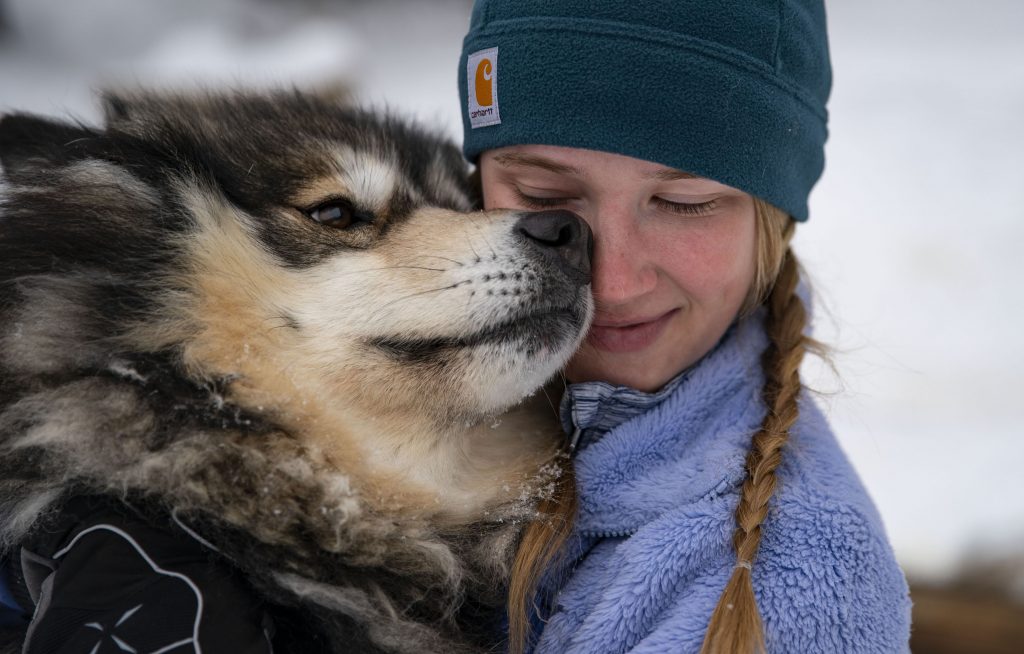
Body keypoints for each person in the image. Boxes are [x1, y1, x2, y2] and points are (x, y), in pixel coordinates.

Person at [457, 1, 913, 652]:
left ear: (772, 221)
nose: (611, 285)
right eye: (542, 197)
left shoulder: (792, 588)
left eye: (682, 204)